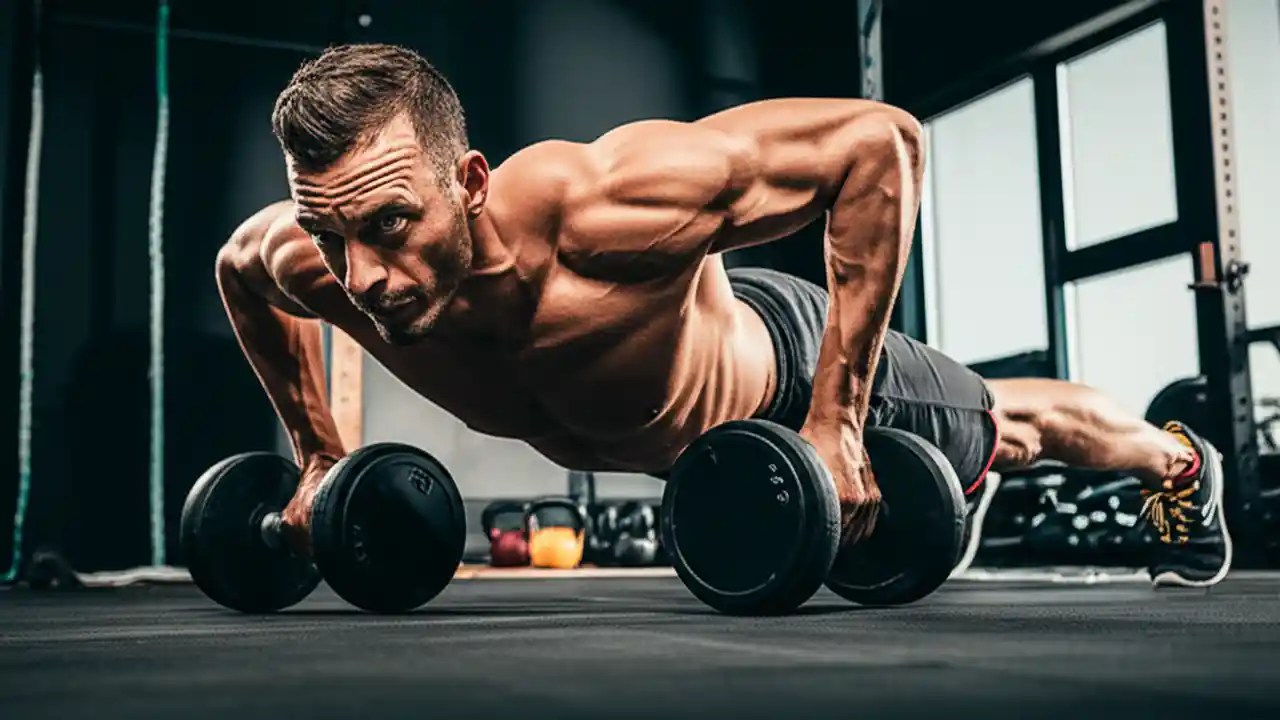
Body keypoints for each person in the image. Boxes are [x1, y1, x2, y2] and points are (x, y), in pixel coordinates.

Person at [217, 44, 1230, 589]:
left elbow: (879, 142)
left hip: (782, 372)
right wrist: (317, 454)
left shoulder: (603, 209)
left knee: (1005, 430)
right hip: (702, 453)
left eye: (391, 224)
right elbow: (238, 268)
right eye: (331, 234)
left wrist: (835, 420)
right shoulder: (318, 261)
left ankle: (1178, 462)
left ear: (470, 183)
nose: (363, 276)